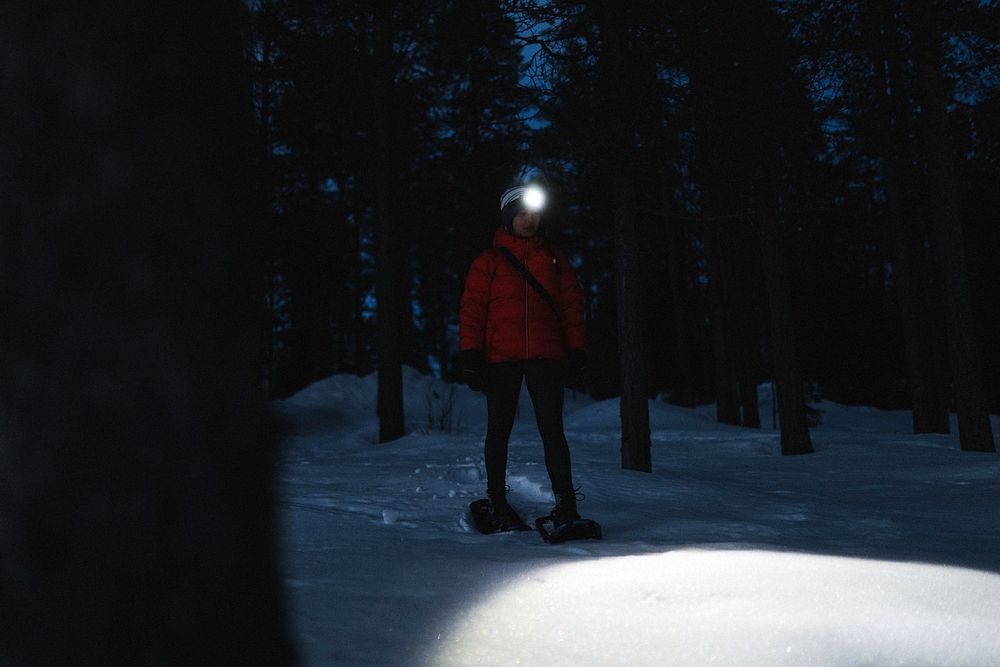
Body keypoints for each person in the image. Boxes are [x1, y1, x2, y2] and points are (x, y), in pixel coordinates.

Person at [455, 184, 588, 532]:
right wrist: (471, 353)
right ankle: (497, 502)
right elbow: (472, 311)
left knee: (553, 431)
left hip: (547, 355)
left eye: (534, 214)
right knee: (498, 431)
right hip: (500, 357)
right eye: (522, 214)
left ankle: (567, 506)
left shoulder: (555, 260)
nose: (529, 220)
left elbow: (572, 306)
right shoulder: (489, 262)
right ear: (509, 218)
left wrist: (575, 348)